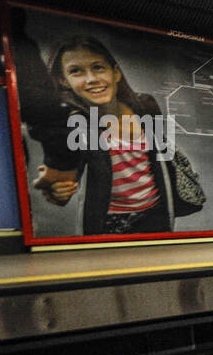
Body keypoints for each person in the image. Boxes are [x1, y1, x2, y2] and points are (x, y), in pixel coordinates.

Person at [28, 37, 189, 236]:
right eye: (76, 71)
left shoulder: (145, 105)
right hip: (108, 222)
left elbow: (162, 155)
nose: (92, 79)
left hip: (156, 214)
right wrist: (59, 189)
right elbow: (68, 176)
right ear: (64, 81)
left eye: (98, 67)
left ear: (115, 73)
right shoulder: (76, 122)